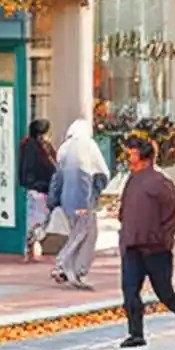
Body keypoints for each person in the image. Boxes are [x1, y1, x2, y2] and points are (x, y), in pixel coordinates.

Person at [119, 135, 175, 350]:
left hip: (156, 249)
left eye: (132, 151)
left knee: (165, 293)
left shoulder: (160, 182)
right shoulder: (131, 180)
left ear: (142, 155)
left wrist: (163, 237)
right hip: (132, 246)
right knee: (130, 291)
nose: (129, 155)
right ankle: (135, 333)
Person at [48, 119, 109, 288]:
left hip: (68, 203)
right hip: (84, 203)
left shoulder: (64, 149)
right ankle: (67, 266)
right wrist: (96, 194)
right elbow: (103, 174)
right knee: (86, 234)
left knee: (78, 232)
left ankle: (70, 269)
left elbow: (56, 179)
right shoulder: (89, 146)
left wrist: (53, 200)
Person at [19, 119, 56, 262]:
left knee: (38, 220)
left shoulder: (43, 146)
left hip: (43, 189)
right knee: (35, 221)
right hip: (37, 189)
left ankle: (31, 245)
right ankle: (28, 246)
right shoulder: (31, 147)